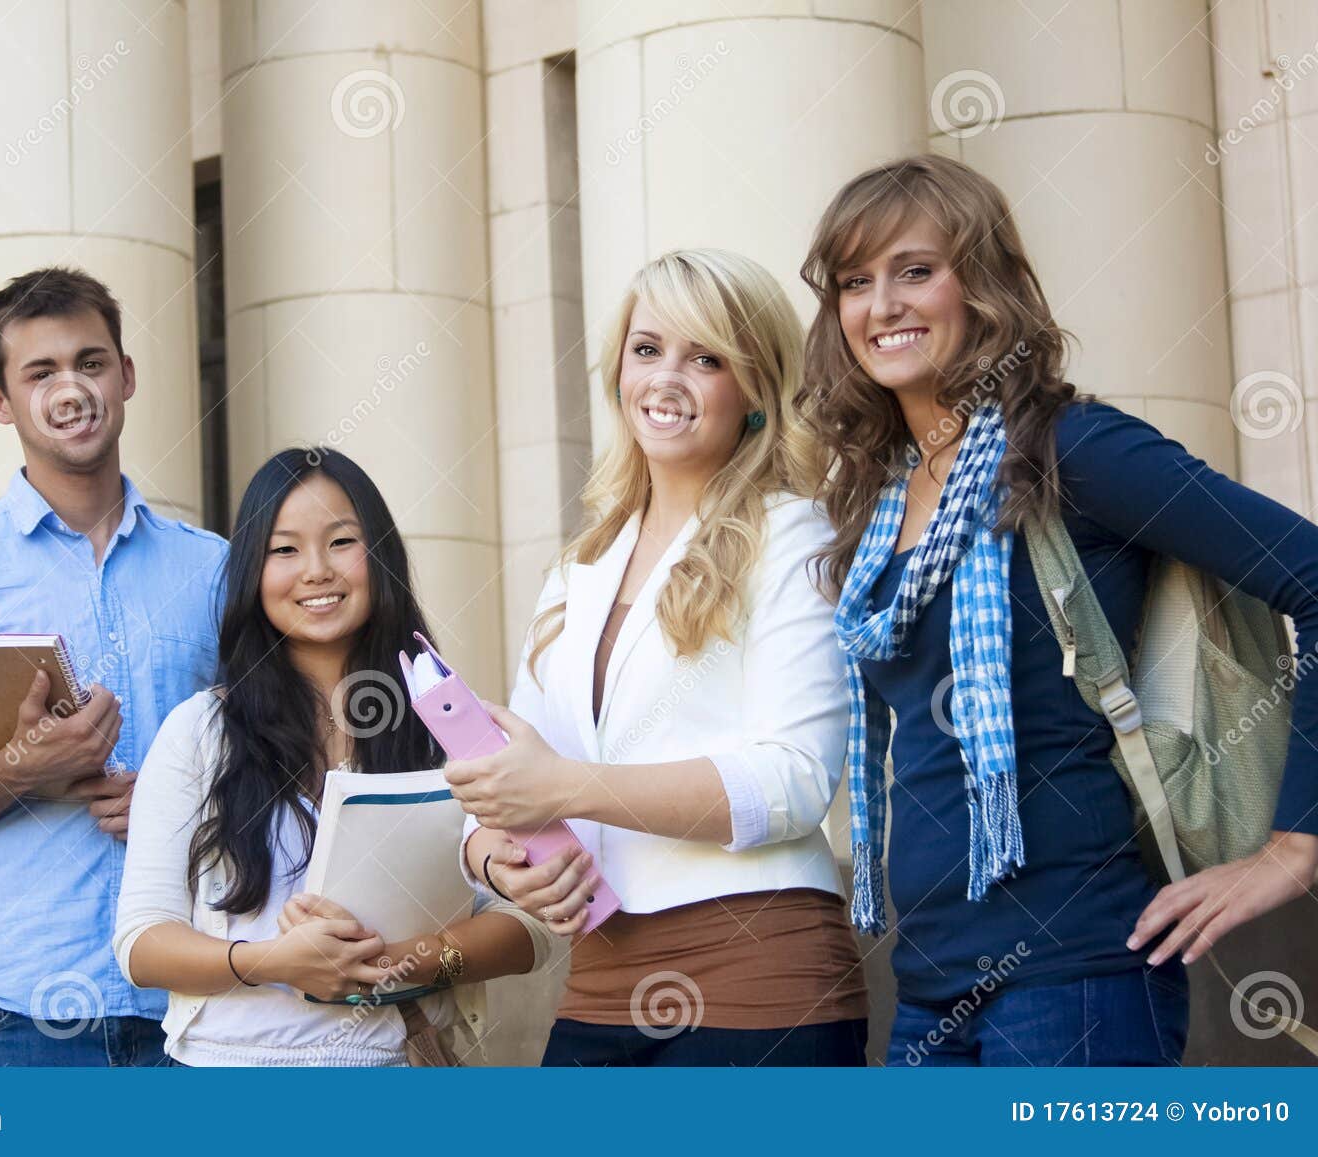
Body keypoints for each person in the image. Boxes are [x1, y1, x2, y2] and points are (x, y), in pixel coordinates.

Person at [795, 154, 1318, 1066]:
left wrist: (1292, 846)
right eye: (855, 282)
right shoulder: (875, 502)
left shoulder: (1074, 451)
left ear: (983, 284)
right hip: (926, 987)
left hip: (1075, 982)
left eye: (916, 270)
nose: (883, 306)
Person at [447, 249, 869, 1067]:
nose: (667, 378)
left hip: (758, 981)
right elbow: (509, 779)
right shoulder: (578, 569)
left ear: (754, 390)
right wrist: (496, 861)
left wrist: (568, 788)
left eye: (706, 357)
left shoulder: (795, 534)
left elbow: (794, 779)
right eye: (648, 349)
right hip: (599, 981)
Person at [0, 266, 228, 1066]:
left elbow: (291, 756)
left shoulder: (216, 572)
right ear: (0, 402)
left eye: (91, 362)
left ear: (126, 376)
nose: (73, 389)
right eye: (41, 372)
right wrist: (20, 767)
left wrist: (194, 803)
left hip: (198, 997)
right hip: (12, 1009)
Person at [113, 448, 553, 1067]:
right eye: (284, 550)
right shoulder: (199, 731)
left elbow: (528, 928)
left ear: (379, 555)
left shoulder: (446, 723)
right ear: (251, 572)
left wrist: (409, 960)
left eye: (342, 541)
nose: (316, 571)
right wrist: (273, 962)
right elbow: (141, 944)